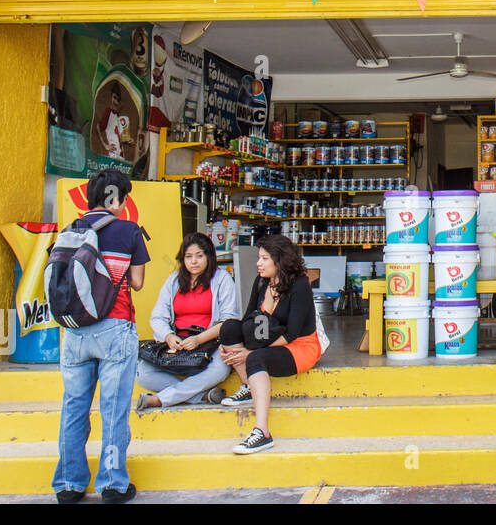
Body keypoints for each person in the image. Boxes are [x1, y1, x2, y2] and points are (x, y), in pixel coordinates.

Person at [53, 169, 148, 504]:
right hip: (115, 327)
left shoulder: (71, 230)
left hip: (75, 331)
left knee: (74, 406)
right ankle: (112, 484)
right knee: (113, 408)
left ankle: (68, 484)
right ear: (117, 199)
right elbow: (137, 283)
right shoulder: (128, 230)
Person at [218, 235, 322, 454]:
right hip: (269, 336)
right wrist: (229, 343)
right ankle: (249, 386)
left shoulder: (300, 284)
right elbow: (248, 319)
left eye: (264, 258)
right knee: (229, 328)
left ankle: (262, 433)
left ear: (280, 260)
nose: (259, 263)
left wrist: (249, 353)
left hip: (299, 346)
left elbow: (293, 333)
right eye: (259, 258)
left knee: (256, 358)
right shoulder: (262, 282)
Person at [135, 233, 239, 410]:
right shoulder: (174, 280)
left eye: (199, 256)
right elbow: (158, 316)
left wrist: (199, 339)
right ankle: (201, 396)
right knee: (140, 372)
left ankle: (160, 400)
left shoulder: (222, 279)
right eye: (188, 257)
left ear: (209, 256)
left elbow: (229, 320)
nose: (194, 262)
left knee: (220, 370)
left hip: (208, 343)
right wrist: (168, 336)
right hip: (179, 345)